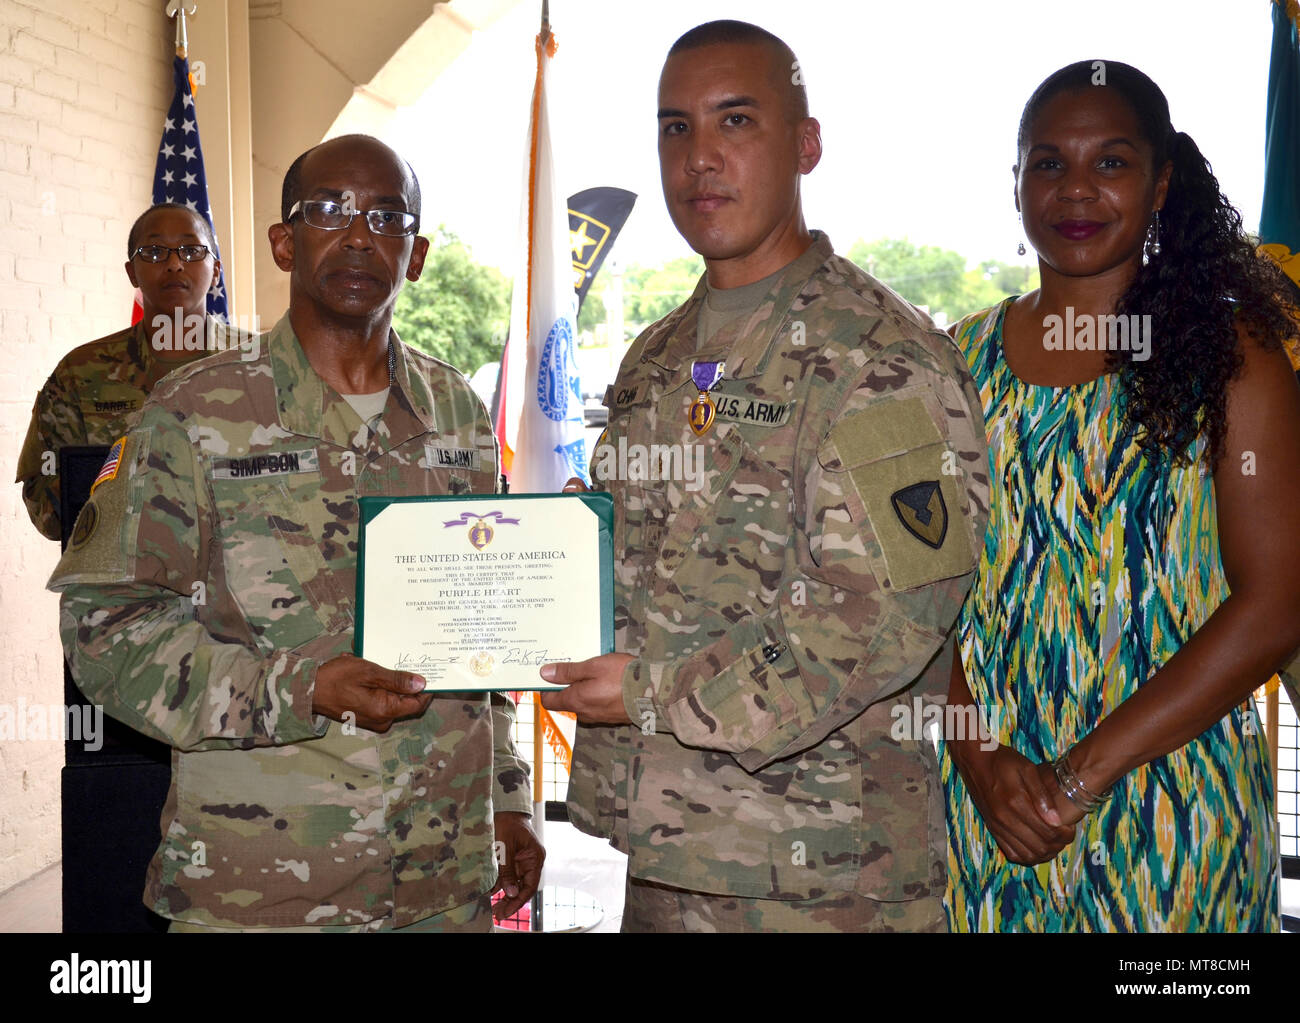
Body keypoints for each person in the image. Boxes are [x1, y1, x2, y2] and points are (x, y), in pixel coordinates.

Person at [540, 20, 988, 932]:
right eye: (675, 129)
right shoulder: (657, 355)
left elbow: (891, 615)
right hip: (667, 854)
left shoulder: (879, 355)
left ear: (805, 144)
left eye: (734, 121)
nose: (700, 158)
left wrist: (654, 690)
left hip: (822, 878)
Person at [49, 134, 542, 932]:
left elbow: (482, 630)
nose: (357, 235)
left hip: (441, 888)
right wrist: (299, 687)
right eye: (328, 211)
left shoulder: (457, 414)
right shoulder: (193, 414)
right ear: (285, 242)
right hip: (263, 894)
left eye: (386, 217)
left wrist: (508, 795)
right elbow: (106, 634)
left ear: (414, 255)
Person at [941, 61, 1300, 932]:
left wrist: (1077, 778)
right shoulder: (950, 364)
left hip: (1176, 817)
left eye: (1111, 163)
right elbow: (912, 600)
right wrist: (986, 764)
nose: (1076, 190)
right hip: (988, 820)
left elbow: (1277, 606)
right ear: (1015, 181)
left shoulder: (1235, 358)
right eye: (1048, 162)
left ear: (1162, 181)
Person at [16, 202, 249, 540]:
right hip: (117, 585)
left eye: (192, 250)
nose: (173, 264)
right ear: (132, 272)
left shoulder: (258, 361)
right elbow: (44, 503)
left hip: (238, 580)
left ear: (215, 270)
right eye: (154, 252)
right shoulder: (81, 372)